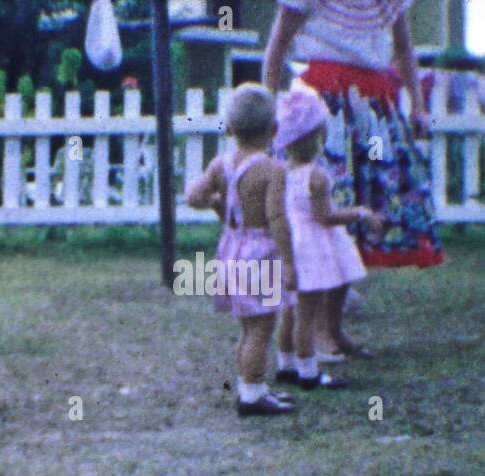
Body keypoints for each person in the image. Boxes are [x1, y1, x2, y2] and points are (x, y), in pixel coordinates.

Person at [262, 0, 443, 360]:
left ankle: (334, 327)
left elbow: (404, 49)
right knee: (324, 211)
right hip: (323, 106)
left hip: (373, 110)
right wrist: (270, 110)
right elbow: (277, 46)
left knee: (361, 210)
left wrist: (418, 105)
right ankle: (313, 330)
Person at [185, 83, 297, 416]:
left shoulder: (221, 165)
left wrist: (219, 204)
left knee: (248, 327)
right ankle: (251, 395)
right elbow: (276, 218)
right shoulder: (273, 169)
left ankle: (253, 387)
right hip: (259, 252)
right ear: (273, 131)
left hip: (231, 248)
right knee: (262, 328)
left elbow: (193, 197)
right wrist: (288, 262)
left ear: (230, 129)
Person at [273, 89, 385, 390]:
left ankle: (284, 362)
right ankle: (308, 371)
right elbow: (324, 216)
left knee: (290, 310)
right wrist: (359, 213)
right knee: (306, 313)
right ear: (317, 137)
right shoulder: (317, 176)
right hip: (312, 245)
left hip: (291, 241)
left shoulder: (282, 173)